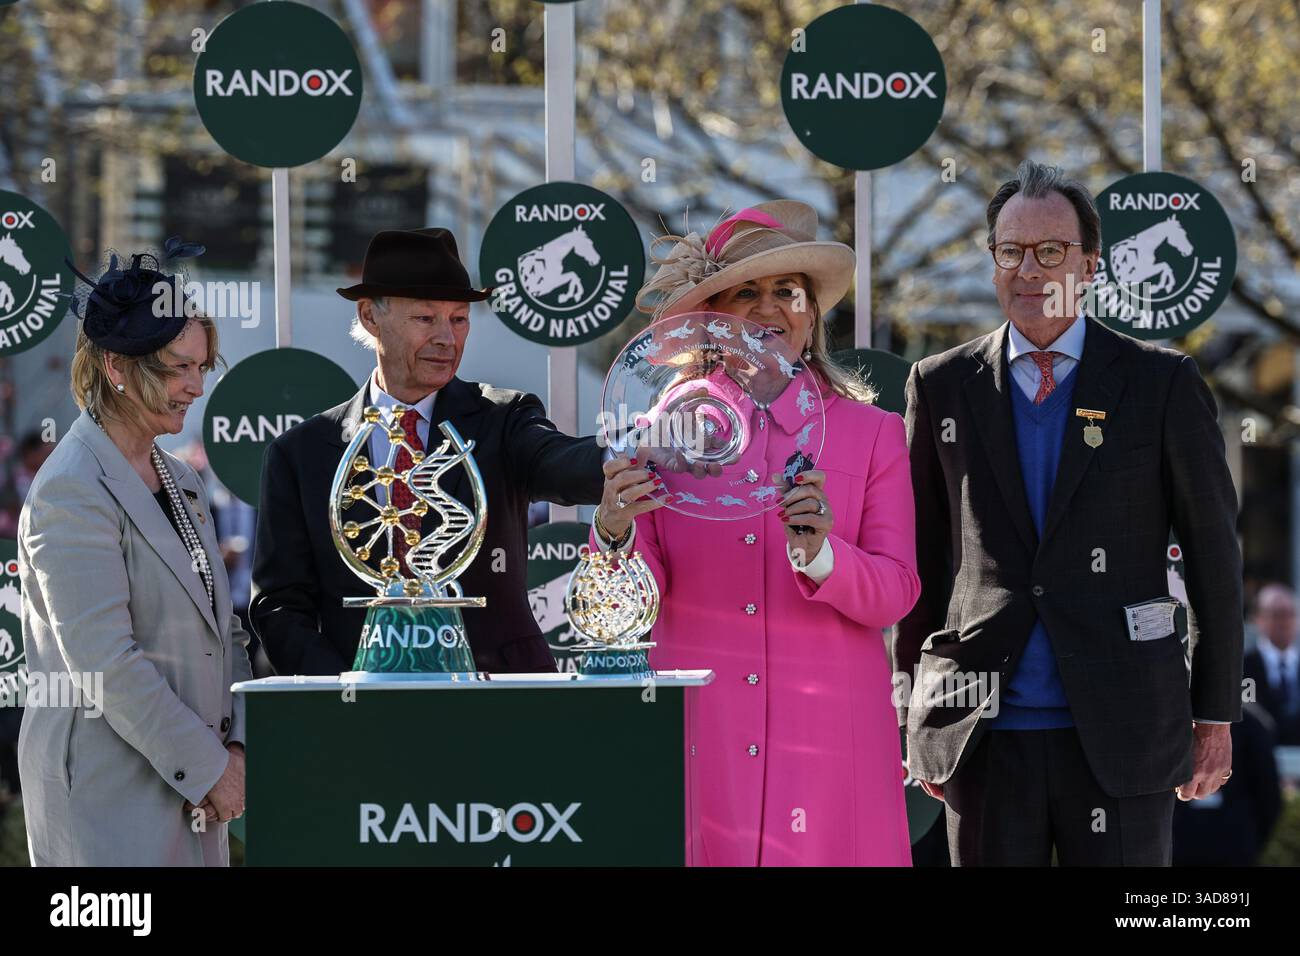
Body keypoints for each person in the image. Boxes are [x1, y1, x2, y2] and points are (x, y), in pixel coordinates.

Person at [896, 160, 1244, 866]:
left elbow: (1214, 558)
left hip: (1126, 730)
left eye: (1050, 251)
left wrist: (1214, 714)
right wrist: (914, 711)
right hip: (981, 730)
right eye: (1010, 251)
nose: (1029, 269)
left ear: (1090, 264)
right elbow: (921, 561)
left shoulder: (1161, 384)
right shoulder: (940, 386)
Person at [593, 201, 921, 865]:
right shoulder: (666, 428)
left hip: (832, 750)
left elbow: (897, 592)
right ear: (714, 315)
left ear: (810, 314)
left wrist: (823, 555)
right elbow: (626, 609)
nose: (770, 309)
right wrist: (614, 531)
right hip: (700, 737)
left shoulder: (874, 431)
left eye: (787, 292)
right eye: (747, 293)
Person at [251, 228, 604, 675]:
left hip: (500, 709)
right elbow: (280, 606)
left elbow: (560, 461)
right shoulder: (299, 454)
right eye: (425, 318)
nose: (447, 338)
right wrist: (345, 694)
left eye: (459, 319)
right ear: (369, 317)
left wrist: (618, 457)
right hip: (363, 723)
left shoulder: (503, 418)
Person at [18, 241, 250, 866]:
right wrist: (211, 770)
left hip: (192, 794)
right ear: (117, 367)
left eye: (204, 366)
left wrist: (240, 748)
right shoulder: (71, 486)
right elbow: (106, 663)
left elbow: (221, 626)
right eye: (179, 368)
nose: (198, 386)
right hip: (108, 804)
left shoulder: (182, 478)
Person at [1243, 583, 1300, 745]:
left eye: (1290, 614)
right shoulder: (1243, 668)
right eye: (1277, 614)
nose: (1284, 622)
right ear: (1258, 619)